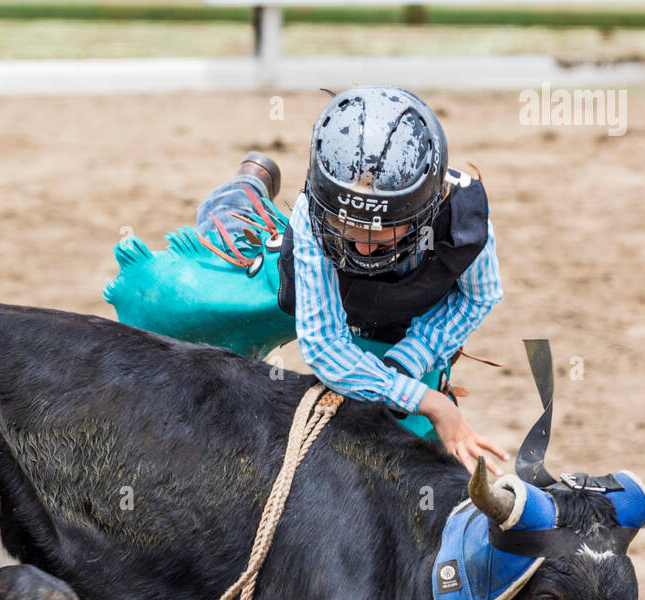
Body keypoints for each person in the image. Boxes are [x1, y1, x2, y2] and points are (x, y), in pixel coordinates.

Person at [198, 87, 505, 471]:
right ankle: (244, 188)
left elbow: (479, 296)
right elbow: (325, 346)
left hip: (406, 312)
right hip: (312, 286)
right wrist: (433, 404)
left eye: (380, 230)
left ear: (425, 208)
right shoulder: (312, 218)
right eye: (346, 225)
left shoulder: (463, 222)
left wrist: (414, 356)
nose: (360, 247)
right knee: (216, 278)